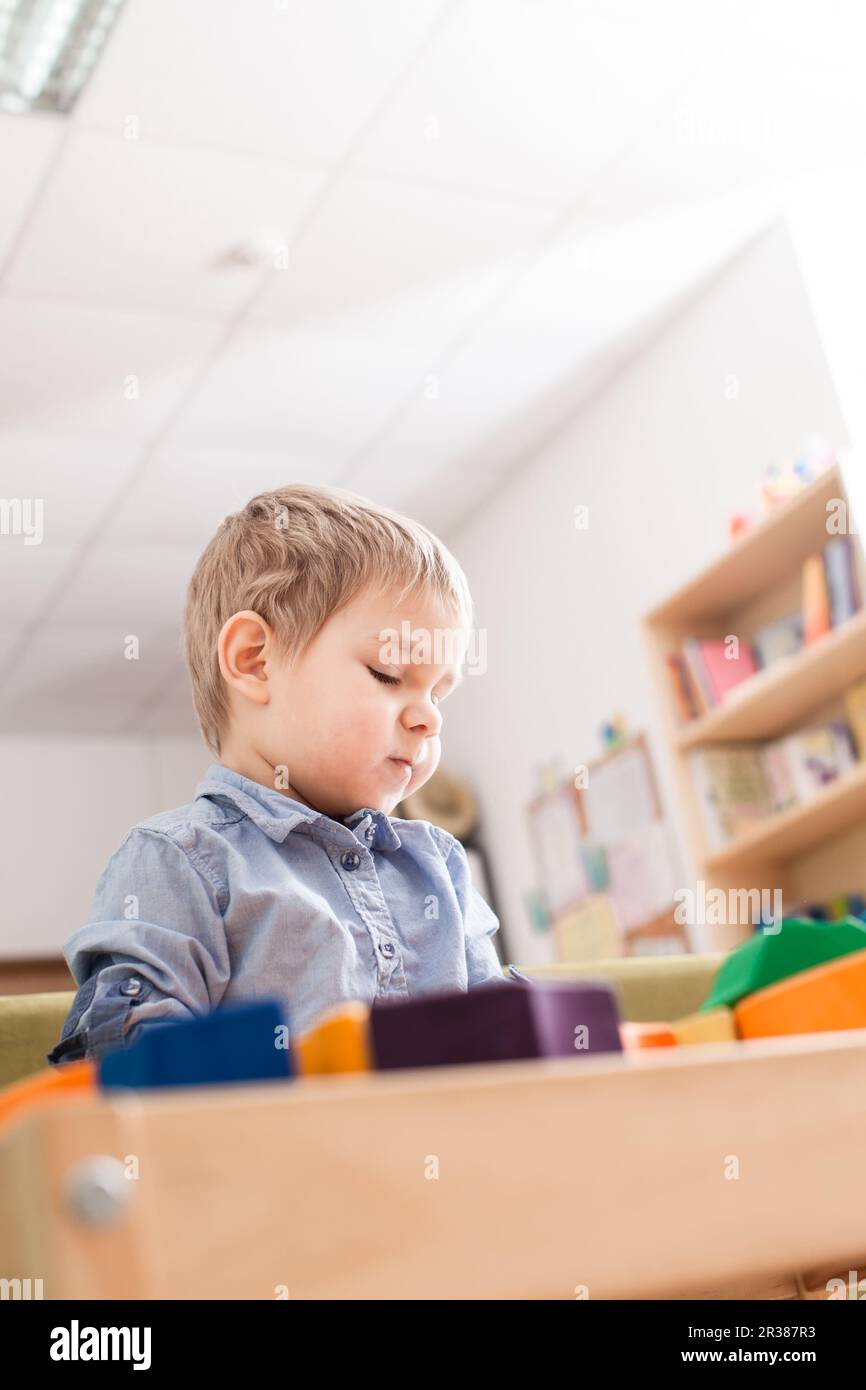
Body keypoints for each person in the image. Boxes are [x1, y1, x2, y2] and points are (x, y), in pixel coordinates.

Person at [47, 484, 505, 1064]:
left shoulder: (439, 866)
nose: (429, 718)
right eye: (389, 674)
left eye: (440, 693)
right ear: (255, 661)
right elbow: (126, 1073)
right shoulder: (178, 862)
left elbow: (508, 1039)